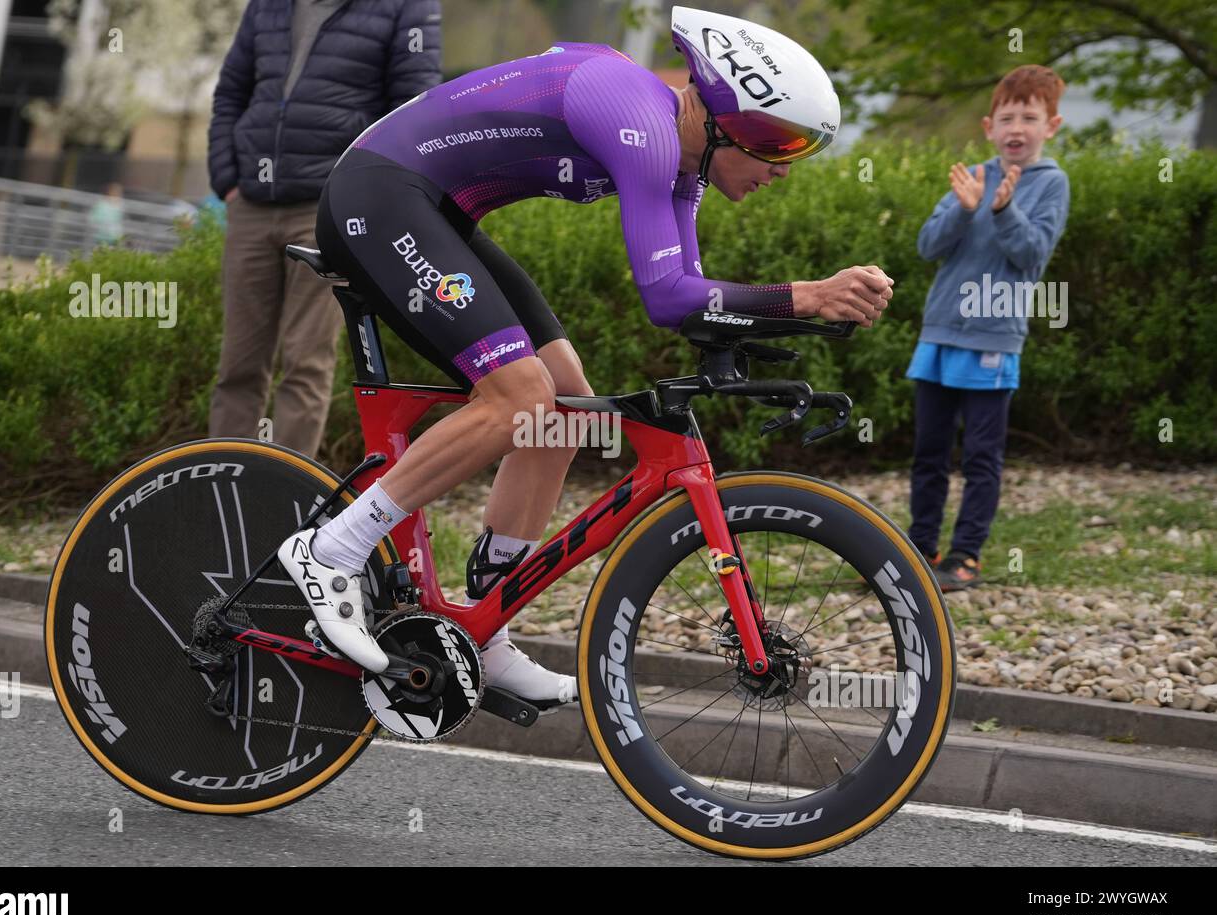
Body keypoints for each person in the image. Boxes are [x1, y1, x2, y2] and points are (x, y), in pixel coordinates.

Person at [277, 6, 895, 710]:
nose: (783, 172)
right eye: (778, 148)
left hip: (434, 210)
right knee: (521, 401)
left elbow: (690, 298)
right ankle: (331, 550)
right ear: (731, 122)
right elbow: (667, 297)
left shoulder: (681, 165)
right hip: (379, 196)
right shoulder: (640, 121)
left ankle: (484, 625)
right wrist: (809, 296)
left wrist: (792, 320)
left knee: (566, 410)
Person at [207, 0, 442, 459]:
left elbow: (412, 111)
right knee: (237, 365)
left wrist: (362, 196)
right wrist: (227, 180)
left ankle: (285, 499)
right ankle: (223, 483)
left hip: (327, 208)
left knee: (305, 363)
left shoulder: (406, 7)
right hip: (251, 204)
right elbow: (231, 92)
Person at [907, 65, 1070, 591]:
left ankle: (965, 557)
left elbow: (1031, 255)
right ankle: (918, 549)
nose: (1017, 127)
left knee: (981, 457)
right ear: (988, 126)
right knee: (928, 454)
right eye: (1007, 117)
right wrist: (966, 208)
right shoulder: (970, 177)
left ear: (1052, 126)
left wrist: (1002, 212)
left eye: (1030, 116)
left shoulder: (1052, 184)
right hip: (938, 336)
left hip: (993, 341)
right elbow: (928, 246)